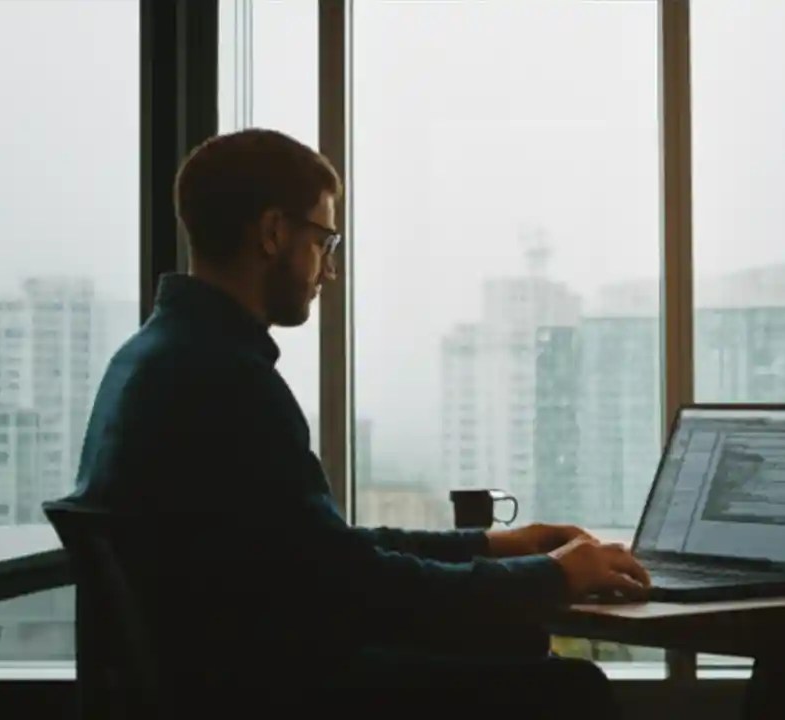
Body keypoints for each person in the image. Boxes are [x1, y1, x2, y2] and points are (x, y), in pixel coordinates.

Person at [67, 128, 649, 714]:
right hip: (267, 692)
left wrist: (495, 545)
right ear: (273, 234)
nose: (330, 270)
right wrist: (549, 577)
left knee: (513, 643)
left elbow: (322, 552)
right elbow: (352, 584)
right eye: (325, 241)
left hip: (221, 677)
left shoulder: (150, 359)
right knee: (572, 691)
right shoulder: (226, 382)